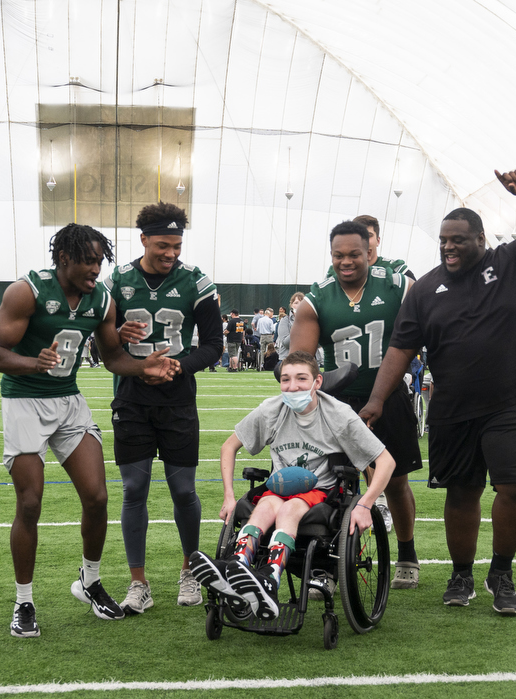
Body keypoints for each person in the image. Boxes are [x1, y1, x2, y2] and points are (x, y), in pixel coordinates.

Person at [360, 169, 516, 613]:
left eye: (457, 239)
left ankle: (502, 570)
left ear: (481, 239)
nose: (448, 246)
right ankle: (461, 573)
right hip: (453, 406)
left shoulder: (512, 261)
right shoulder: (426, 290)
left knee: (513, 487)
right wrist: (378, 398)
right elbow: (401, 347)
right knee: (461, 492)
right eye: (443, 240)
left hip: (514, 400)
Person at [0, 222, 179, 636]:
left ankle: (90, 580)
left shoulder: (102, 298)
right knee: (31, 503)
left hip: (69, 401)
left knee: (96, 496)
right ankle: (24, 601)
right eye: (88, 261)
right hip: (23, 402)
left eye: (99, 261)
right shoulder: (27, 291)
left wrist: (145, 367)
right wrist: (32, 363)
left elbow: (112, 357)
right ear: (63, 258)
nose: (96, 268)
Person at [190, 351, 394, 618]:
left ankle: (270, 578)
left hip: (321, 490)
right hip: (280, 486)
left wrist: (366, 504)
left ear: (317, 382)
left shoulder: (339, 415)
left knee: (289, 508)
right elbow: (229, 447)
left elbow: (386, 461)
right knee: (265, 504)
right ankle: (237, 566)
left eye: (301, 379)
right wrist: (229, 496)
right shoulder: (271, 410)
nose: (292, 386)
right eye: (286, 379)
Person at [290, 220, 424, 589]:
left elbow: (425, 328)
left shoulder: (397, 284)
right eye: (338, 255)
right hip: (338, 402)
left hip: (390, 396)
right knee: (330, 484)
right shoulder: (317, 297)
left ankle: (407, 552)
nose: (345, 262)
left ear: (370, 251)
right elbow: (299, 358)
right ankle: (325, 565)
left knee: (395, 482)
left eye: (354, 254)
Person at [105, 202, 225, 612]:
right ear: (142, 240)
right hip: (132, 399)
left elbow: (213, 346)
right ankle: (138, 582)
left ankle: (190, 569)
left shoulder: (197, 282)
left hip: (176, 400)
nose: (170, 253)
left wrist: (177, 365)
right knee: (134, 489)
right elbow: (99, 346)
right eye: (162, 245)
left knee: (183, 489)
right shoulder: (117, 281)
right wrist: (118, 334)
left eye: (176, 245)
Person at [275, 291, 305, 356]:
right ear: (291, 305)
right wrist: (299, 324)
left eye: (302, 302)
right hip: (289, 358)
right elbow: (286, 343)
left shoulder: (311, 321)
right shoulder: (285, 320)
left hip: (307, 358)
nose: (299, 305)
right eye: (296, 303)